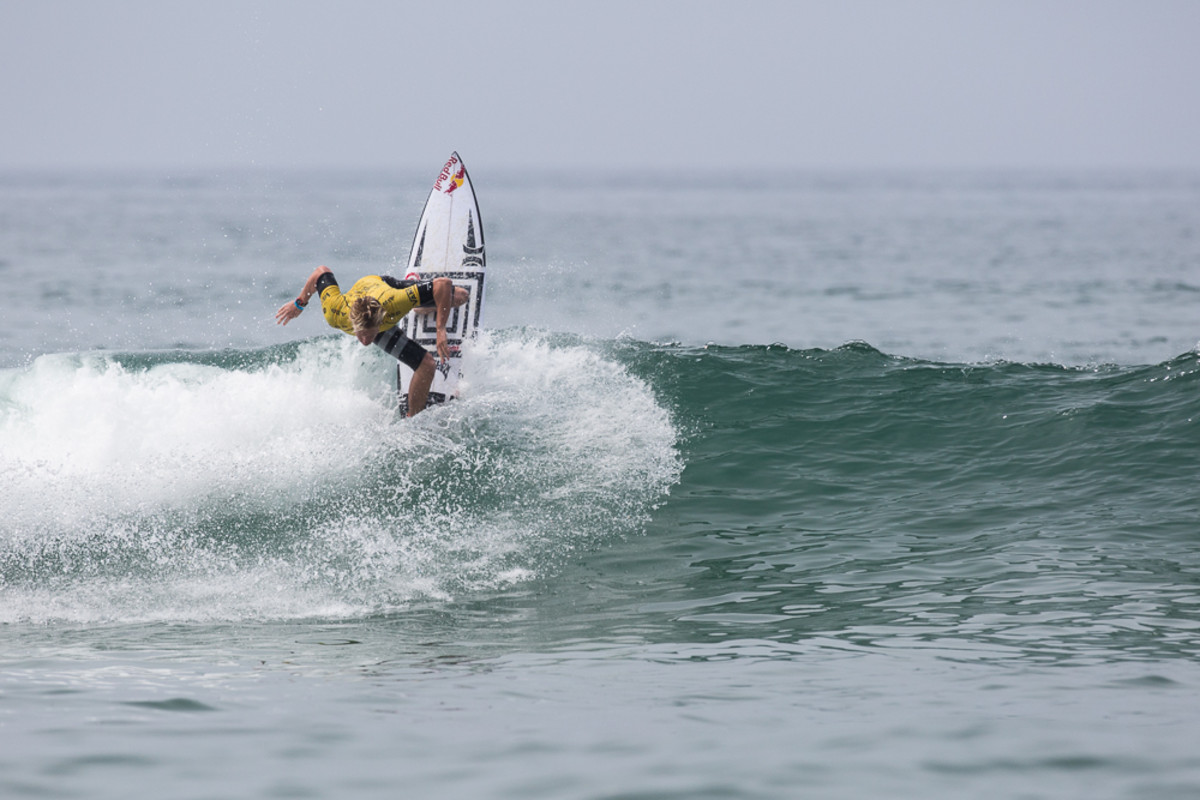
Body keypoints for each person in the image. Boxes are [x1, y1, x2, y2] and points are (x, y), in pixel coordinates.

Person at [275, 265, 468, 416]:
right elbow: (320, 272)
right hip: (368, 303)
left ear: (381, 322)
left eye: (370, 335)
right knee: (427, 364)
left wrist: (441, 329)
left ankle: (419, 303)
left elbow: (443, 284)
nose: (366, 341)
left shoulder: (394, 301)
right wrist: (299, 303)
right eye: (362, 335)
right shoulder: (336, 313)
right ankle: (413, 417)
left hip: (386, 289)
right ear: (352, 324)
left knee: (460, 296)